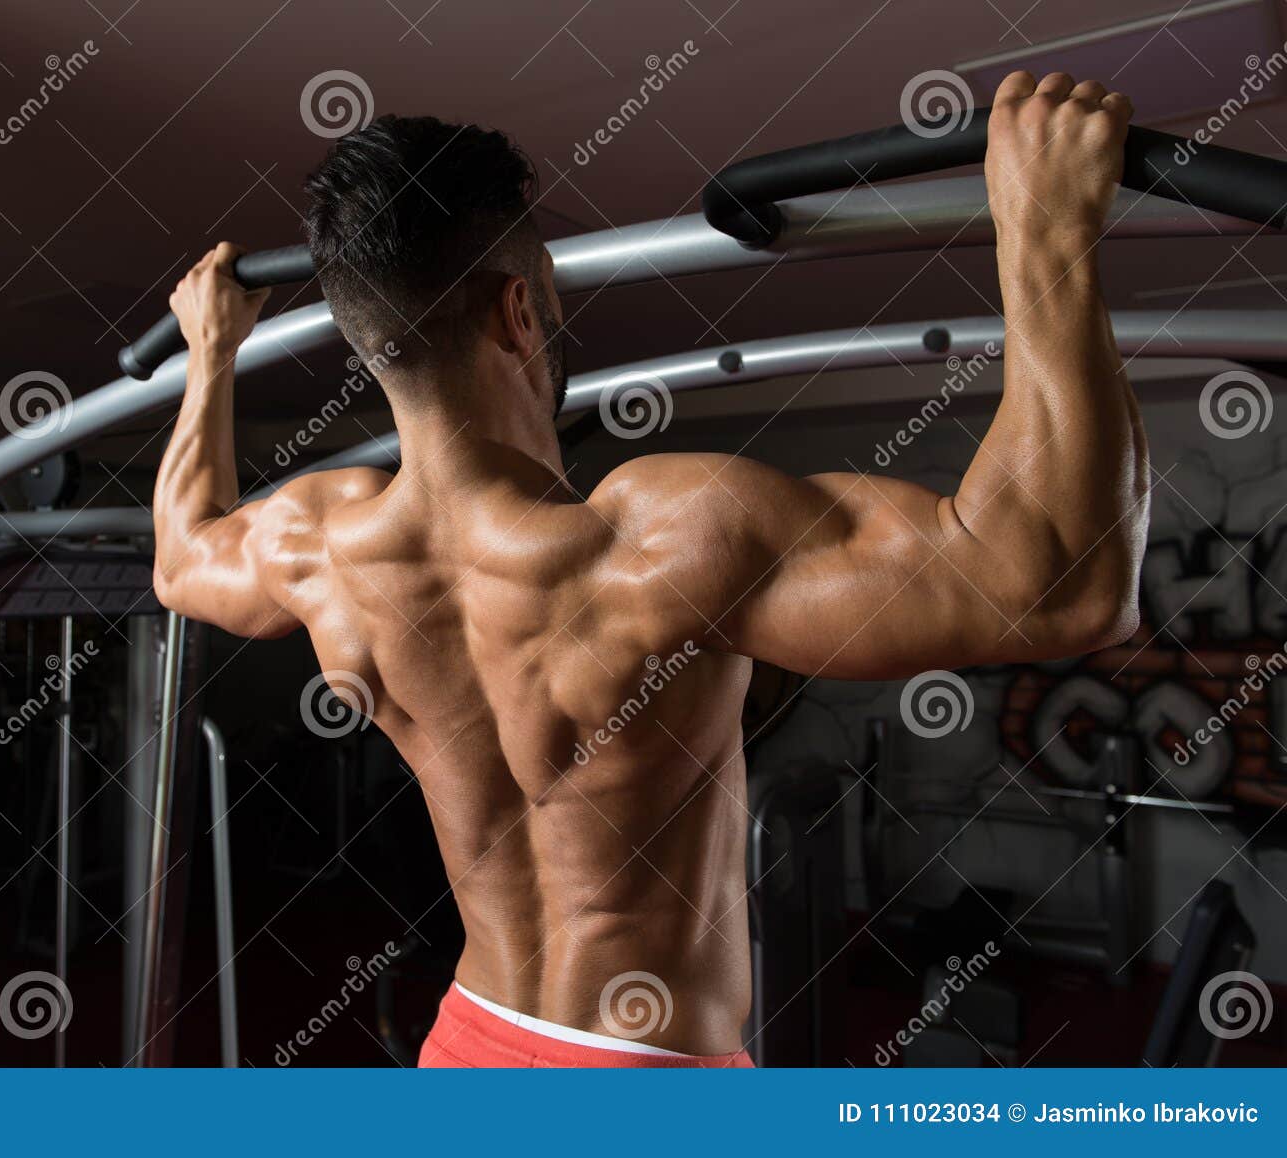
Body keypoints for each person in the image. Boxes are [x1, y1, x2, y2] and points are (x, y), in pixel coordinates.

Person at [152, 70, 1148, 1067]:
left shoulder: (319, 548)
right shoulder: (652, 540)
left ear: (366, 343)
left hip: (465, 1048)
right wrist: (1046, 229)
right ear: (519, 313)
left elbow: (182, 556)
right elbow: (1058, 583)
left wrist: (210, 358)